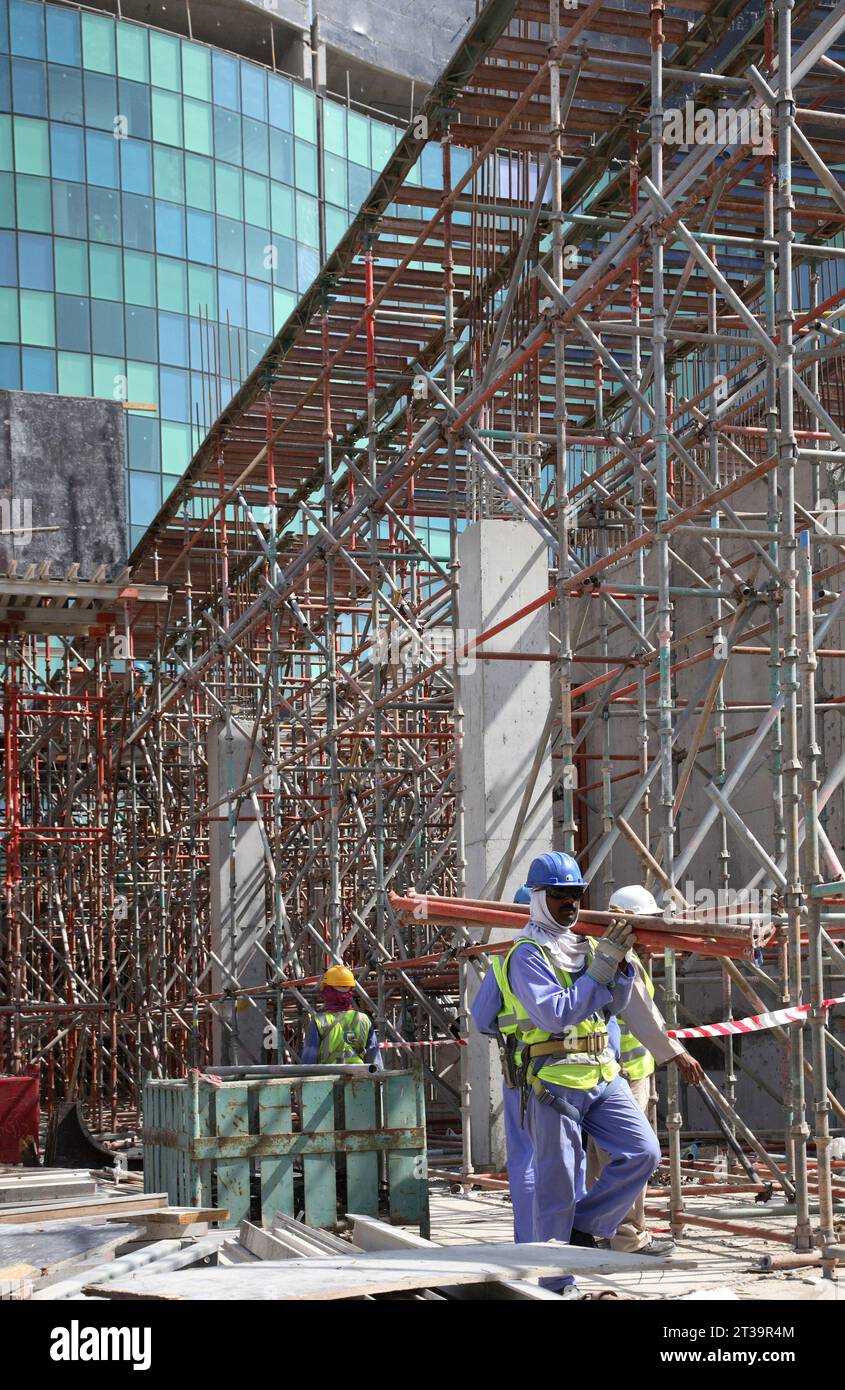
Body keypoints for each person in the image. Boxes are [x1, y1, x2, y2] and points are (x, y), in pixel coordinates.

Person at [475, 851, 661, 1296]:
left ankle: (581, 1227)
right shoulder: (526, 954)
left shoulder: (589, 947)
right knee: (555, 1183)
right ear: (539, 898)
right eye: (560, 896)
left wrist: (620, 963)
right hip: (552, 1081)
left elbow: (614, 1006)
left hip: (601, 1074)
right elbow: (555, 1014)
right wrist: (600, 970)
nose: (570, 904)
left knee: (643, 1153)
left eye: (576, 894)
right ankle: (557, 1281)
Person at [586, 884, 704, 1254]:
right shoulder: (616, 958)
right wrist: (677, 1054)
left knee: (601, 1158)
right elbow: (642, 1015)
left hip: (614, 1072)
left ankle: (594, 1231)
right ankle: (628, 1237)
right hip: (622, 1074)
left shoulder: (608, 954)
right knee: (633, 1155)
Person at [301, 965, 383, 1068]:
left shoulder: (320, 1021)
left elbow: (309, 1061)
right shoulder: (364, 1019)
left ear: (327, 991)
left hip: (328, 1080)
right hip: (360, 1079)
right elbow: (374, 1058)